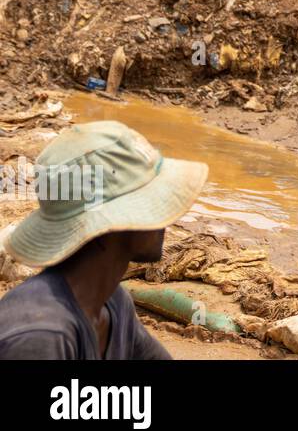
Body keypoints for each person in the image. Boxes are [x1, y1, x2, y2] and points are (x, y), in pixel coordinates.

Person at [0, 121, 208, 359]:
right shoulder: (40, 336)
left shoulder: (113, 303)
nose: (164, 220)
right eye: (152, 204)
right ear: (106, 227)